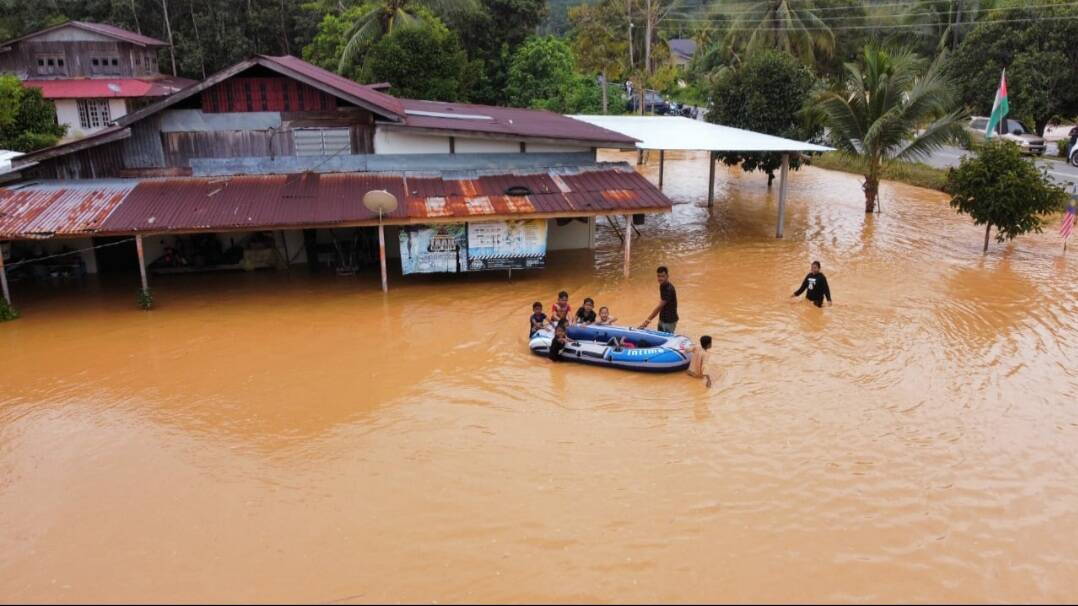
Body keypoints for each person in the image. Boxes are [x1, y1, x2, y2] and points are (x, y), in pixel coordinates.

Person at [639, 265, 679, 333]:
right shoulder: (662, 285)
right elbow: (661, 303)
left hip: (669, 321)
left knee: (667, 339)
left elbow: (659, 307)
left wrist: (647, 321)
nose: (660, 278)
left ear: (667, 276)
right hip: (662, 318)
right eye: (658, 276)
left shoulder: (669, 289)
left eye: (662, 276)